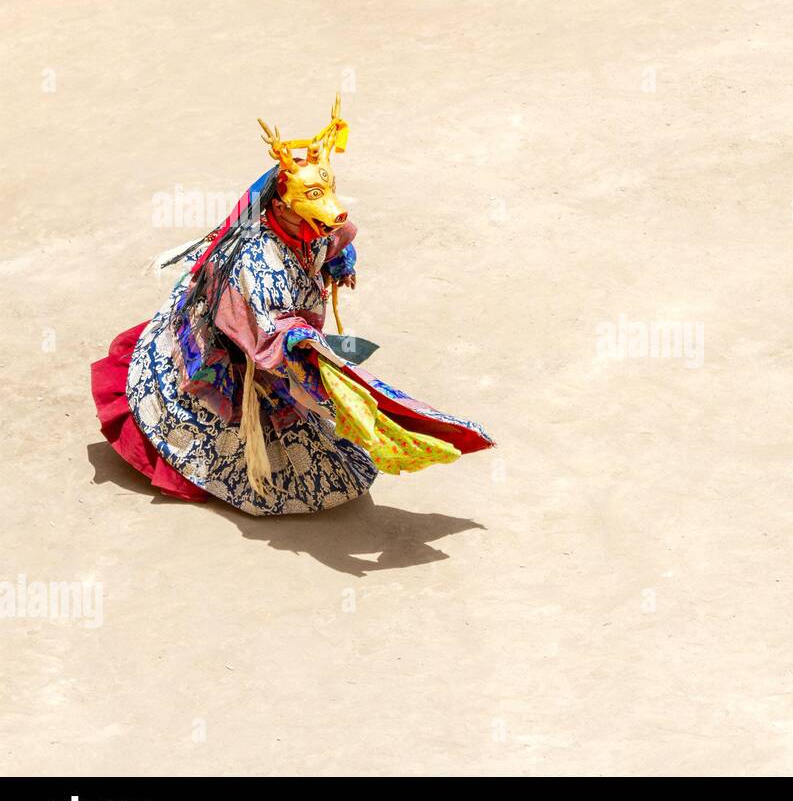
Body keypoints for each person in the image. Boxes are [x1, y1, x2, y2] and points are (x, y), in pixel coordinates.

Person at [92, 97, 493, 515]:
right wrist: (307, 346)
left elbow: (333, 240)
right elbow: (268, 331)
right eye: (315, 195)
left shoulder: (310, 225)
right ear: (282, 205)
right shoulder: (255, 261)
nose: (332, 208)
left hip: (277, 332)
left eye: (328, 191)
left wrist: (339, 262)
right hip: (240, 350)